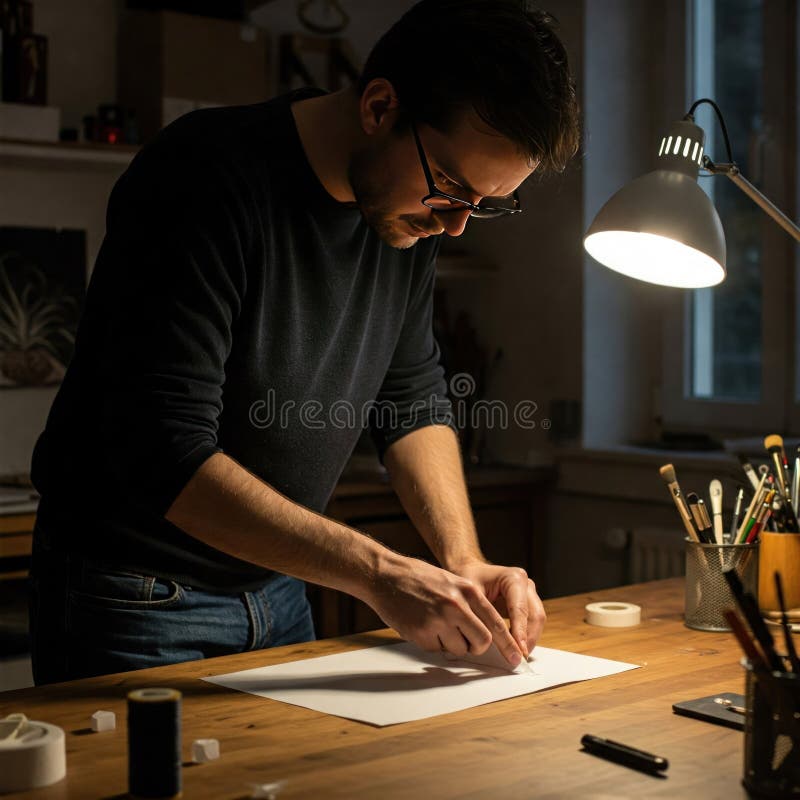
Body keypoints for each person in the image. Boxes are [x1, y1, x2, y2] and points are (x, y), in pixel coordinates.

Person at [28, 0, 580, 684]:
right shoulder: (201, 176)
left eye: (484, 204)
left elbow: (411, 397)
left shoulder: (407, 211)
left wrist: (464, 561)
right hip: (134, 596)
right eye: (451, 189)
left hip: (281, 588)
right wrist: (378, 572)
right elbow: (162, 450)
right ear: (379, 106)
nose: (456, 225)